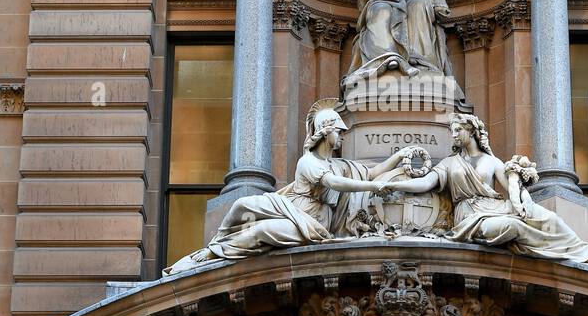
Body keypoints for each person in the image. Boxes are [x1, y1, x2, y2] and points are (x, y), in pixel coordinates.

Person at [163, 102, 408, 275]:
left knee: (261, 231)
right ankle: (216, 245)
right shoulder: (308, 162)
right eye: (339, 131)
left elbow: (373, 172)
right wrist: (373, 186)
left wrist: (400, 155)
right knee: (241, 205)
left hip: (311, 223)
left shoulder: (339, 165)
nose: (343, 136)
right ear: (326, 131)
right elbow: (333, 183)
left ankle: (214, 255)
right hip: (292, 208)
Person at [381, 113, 588, 271]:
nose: (454, 135)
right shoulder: (449, 163)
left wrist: (520, 199)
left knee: (551, 219)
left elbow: (514, 187)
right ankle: (545, 253)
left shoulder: (493, 162)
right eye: (452, 131)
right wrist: (392, 184)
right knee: (514, 228)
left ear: (471, 131)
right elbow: (424, 184)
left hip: (498, 206)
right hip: (471, 216)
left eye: (457, 130)